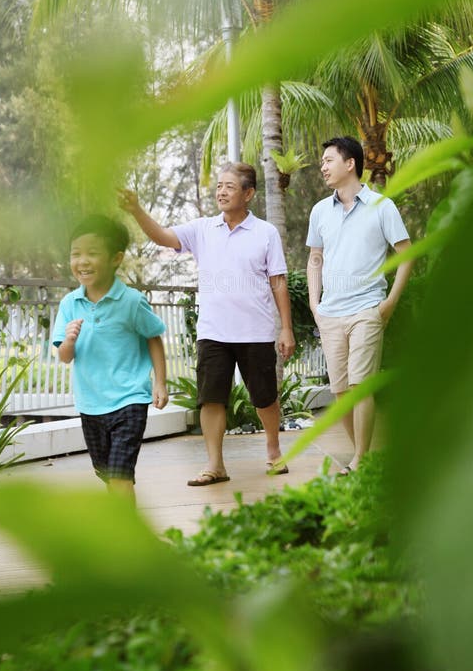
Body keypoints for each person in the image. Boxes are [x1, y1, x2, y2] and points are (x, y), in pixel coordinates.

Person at [119, 161, 296, 486]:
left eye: (230, 186)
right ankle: (215, 464)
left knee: (264, 397)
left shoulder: (265, 233)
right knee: (211, 398)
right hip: (213, 332)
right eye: (219, 186)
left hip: (255, 332)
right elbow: (163, 237)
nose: (221, 191)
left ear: (249, 193)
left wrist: (286, 327)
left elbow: (278, 281)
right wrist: (137, 210)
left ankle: (273, 449)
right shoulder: (202, 229)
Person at [306, 137, 412, 475]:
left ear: (350, 163)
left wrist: (390, 301)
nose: (322, 167)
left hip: (367, 309)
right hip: (331, 313)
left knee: (359, 385)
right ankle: (361, 454)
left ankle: (361, 459)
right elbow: (315, 258)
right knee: (340, 391)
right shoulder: (320, 210)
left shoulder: (382, 206)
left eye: (328, 160)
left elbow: (406, 253)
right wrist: (314, 304)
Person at [53, 214, 168, 501]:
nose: (82, 261)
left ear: (116, 258)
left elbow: (153, 337)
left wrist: (160, 383)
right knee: (109, 473)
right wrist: (68, 340)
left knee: (118, 474)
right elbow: (65, 357)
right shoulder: (70, 303)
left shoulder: (131, 301)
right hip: (90, 403)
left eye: (92, 253)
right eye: (76, 254)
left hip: (130, 398)